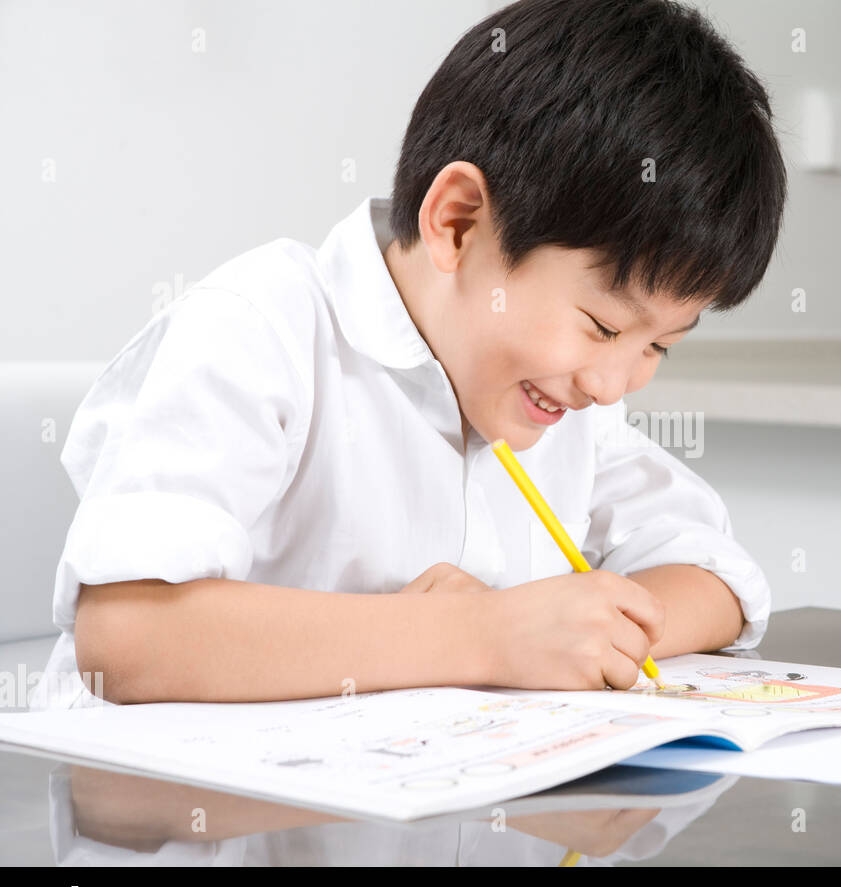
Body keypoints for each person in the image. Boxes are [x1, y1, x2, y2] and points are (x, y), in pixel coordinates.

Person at [31, 0, 786, 710]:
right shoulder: (263, 327)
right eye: (600, 324)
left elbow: (717, 577)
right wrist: (486, 635)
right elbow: (125, 636)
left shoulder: (559, 402)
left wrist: (586, 629)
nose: (613, 383)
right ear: (456, 223)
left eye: (659, 345)